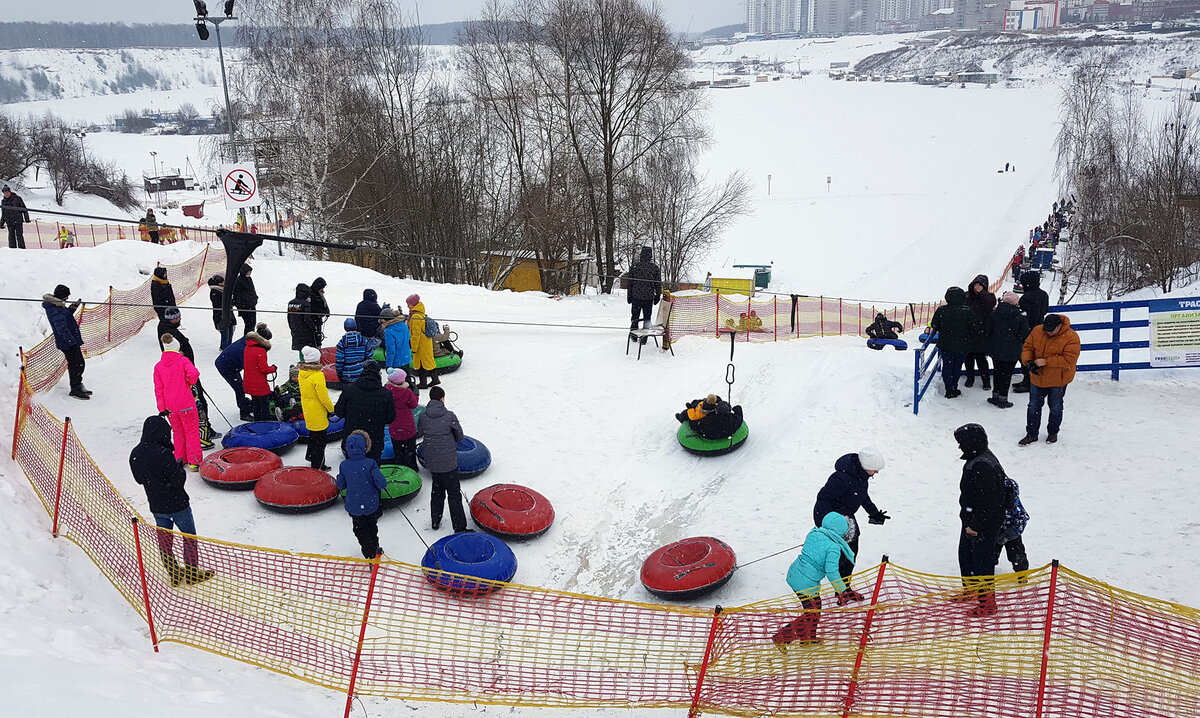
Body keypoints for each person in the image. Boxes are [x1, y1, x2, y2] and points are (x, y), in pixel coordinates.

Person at [129, 415, 213, 586]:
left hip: (157, 506)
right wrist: (178, 468)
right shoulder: (164, 453)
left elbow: (139, 479)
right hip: (178, 505)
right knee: (188, 538)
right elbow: (178, 480)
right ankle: (191, 573)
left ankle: (174, 573)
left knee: (165, 542)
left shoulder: (135, 453)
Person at [771, 512, 861, 652]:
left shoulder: (814, 533)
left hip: (794, 574)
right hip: (806, 583)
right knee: (812, 614)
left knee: (814, 610)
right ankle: (782, 637)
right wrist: (842, 590)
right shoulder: (834, 547)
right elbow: (831, 572)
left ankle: (808, 638)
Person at [952, 423, 1008, 617]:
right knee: (966, 556)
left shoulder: (982, 465)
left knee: (983, 563)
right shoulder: (979, 458)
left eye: (961, 443)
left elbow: (990, 502)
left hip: (983, 524)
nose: (959, 447)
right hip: (971, 520)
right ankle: (971, 589)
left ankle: (987, 604)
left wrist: (975, 525)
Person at [811, 449, 889, 585]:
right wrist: (826, 523)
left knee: (850, 553)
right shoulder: (841, 478)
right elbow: (823, 499)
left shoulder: (862, 478)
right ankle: (830, 583)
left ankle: (844, 587)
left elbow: (863, 497)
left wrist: (874, 513)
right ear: (866, 466)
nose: (877, 472)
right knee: (834, 553)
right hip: (832, 519)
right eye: (875, 469)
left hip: (847, 517)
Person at [1019, 313, 1080, 446]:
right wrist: (1028, 361)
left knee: (1055, 407)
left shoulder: (1071, 336)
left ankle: (1053, 432)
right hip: (1038, 377)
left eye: (1051, 330)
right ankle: (1031, 434)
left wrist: (1046, 362)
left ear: (1059, 326)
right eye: (1046, 329)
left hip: (1058, 380)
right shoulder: (1037, 330)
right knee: (1033, 407)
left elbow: (1070, 359)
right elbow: (1027, 347)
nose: (1048, 332)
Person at [418, 385, 469, 532]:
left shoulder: (423, 416)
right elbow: (459, 436)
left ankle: (435, 520)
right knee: (454, 494)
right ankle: (459, 527)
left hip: (432, 461)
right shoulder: (449, 416)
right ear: (442, 399)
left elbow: (421, 431)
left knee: (437, 490)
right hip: (449, 462)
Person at [153, 333, 203, 471]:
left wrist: (162, 408)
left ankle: (180, 458)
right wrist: (189, 382)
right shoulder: (183, 360)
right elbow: (194, 374)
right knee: (191, 431)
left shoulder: (158, 366)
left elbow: (158, 389)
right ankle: (194, 461)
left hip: (170, 406)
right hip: (185, 402)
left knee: (177, 431)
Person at [336, 430, 389, 559]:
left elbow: (341, 486)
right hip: (371, 503)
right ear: (366, 447)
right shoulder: (370, 464)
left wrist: (341, 477)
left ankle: (369, 553)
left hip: (354, 505)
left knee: (360, 530)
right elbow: (382, 483)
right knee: (372, 528)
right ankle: (375, 550)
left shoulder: (344, 465)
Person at [334, 361, 395, 463]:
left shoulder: (349, 389)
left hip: (352, 437)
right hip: (375, 439)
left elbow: (339, 412)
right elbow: (390, 418)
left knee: (354, 470)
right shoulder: (386, 394)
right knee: (373, 469)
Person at [214, 324, 270, 421]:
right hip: (225, 367)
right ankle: (244, 412)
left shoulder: (250, 341)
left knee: (242, 386)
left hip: (230, 364)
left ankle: (246, 403)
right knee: (240, 388)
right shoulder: (245, 349)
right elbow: (250, 368)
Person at [928, 286, 976, 399]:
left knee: (947, 366)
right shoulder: (967, 311)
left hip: (946, 344)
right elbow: (974, 327)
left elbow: (935, 325)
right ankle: (954, 386)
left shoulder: (941, 310)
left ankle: (948, 389)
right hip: (962, 344)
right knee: (957, 366)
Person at [42, 284, 89, 399]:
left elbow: (65, 317)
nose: (67, 298)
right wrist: (71, 342)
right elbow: (61, 328)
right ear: (62, 296)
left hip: (70, 341)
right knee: (76, 365)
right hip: (67, 343)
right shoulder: (55, 309)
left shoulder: (58, 306)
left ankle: (78, 385)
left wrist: (72, 309)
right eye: (66, 296)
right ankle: (75, 389)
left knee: (79, 363)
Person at [985, 292, 1030, 408]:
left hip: (996, 349)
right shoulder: (1020, 316)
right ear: (1016, 303)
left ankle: (995, 396)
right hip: (1012, 350)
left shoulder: (994, 314)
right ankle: (1003, 399)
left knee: (997, 372)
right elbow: (1025, 335)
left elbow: (988, 331)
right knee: (1007, 374)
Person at [298, 346, 335, 471]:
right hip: (318, 411)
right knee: (320, 441)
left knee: (313, 436)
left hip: (308, 409)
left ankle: (310, 455)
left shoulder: (302, 373)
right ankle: (318, 465)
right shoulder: (318, 376)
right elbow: (323, 397)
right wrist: (331, 409)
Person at [1013, 271, 1050, 394]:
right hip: (1041, 329)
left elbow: (1023, 316)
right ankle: (1033, 380)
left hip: (1028, 330)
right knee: (1037, 355)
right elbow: (1045, 310)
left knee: (1026, 356)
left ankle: (1028, 381)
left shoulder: (1026, 297)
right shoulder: (1044, 295)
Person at [964, 274, 995, 390]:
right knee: (969, 358)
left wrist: (982, 293)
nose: (977, 287)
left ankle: (986, 380)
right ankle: (970, 378)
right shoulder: (967, 296)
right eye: (975, 285)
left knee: (981, 359)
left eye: (980, 285)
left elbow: (991, 303)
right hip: (969, 333)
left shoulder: (989, 296)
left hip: (982, 333)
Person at [385, 369, 420, 471]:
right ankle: (412, 467)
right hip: (408, 425)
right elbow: (414, 405)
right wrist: (416, 395)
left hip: (394, 425)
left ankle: (400, 467)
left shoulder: (387, 392)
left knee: (397, 449)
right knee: (410, 449)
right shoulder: (407, 392)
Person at [626, 245, 662, 342]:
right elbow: (658, 283)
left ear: (641, 254)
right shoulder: (654, 268)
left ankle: (633, 335)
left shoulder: (634, 267)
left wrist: (629, 295)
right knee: (647, 318)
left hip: (636, 297)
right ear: (650, 255)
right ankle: (644, 337)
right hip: (648, 297)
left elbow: (630, 283)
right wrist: (658, 295)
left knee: (635, 317)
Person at [997, 475, 1030, 577]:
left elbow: (1023, 519)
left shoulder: (1016, 505)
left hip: (1011, 531)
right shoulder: (992, 504)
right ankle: (985, 574)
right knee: (988, 554)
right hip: (995, 531)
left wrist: (1009, 535)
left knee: (1017, 555)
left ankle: (1022, 575)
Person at [674, 393, 744, 440]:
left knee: (690, 412)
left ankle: (681, 417)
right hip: (724, 431)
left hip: (711, 436)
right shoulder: (734, 419)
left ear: (716, 412)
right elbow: (739, 412)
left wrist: (692, 420)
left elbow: (695, 425)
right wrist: (736, 408)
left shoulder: (709, 421)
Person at [243, 328, 277, 421]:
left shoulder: (247, 348)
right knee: (264, 405)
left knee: (255, 404)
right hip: (259, 383)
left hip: (249, 381)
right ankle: (265, 423)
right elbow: (264, 369)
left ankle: (257, 422)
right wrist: (273, 368)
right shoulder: (261, 351)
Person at [406, 294, 439, 389]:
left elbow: (416, 334)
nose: (408, 306)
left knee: (420, 364)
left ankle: (423, 383)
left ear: (413, 304)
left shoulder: (415, 316)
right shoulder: (420, 313)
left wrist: (414, 348)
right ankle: (435, 379)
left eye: (409, 304)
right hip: (426, 342)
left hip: (420, 344)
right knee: (428, 361)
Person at [287, 283, 319, 360]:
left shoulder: (291, 303)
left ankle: (302, 362)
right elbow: (307, 318)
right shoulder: (305, 304)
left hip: (295, 329)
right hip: (305, 331)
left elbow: (288, 317)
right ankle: (308, 364)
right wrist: (314, 328)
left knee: (301, 349)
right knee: (308, 350)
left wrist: (292, 327)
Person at [335, 318, 372, 384]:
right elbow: (369, 355)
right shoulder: (364, 340)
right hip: (362, 374)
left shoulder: (342, 343)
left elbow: (339, 360)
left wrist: (339, 373)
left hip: (348, 374)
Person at [382, 307, 413, 375]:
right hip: (406, 358)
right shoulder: (403, 325)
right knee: (407, 381)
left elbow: (391, 351)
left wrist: (389, 365)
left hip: (396, 362)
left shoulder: (389, 331)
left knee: (397, 383)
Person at [208, 274, 234, 349]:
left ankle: (228, 347)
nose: (223, 284)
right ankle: (225, 349)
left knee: (230, 333)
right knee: (225, 334)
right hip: (221, 315)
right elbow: (219, 304)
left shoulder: (223, 291)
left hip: (228, 314)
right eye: (221, 282)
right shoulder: (215, 292)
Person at [1, 184, 31, 249]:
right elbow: (3, 213)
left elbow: (24, 209)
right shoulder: (3, 201)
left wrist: (27, 218)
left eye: (7, 192)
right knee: (11, 236)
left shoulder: (17, 198)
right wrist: (1, 223)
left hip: (18, 220)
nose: (6, 194)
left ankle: (22, 249)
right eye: (4, 192)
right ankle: (12, 250)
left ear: (10, 192)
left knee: (19, 235)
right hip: (9, 221)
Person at [233, 264, 258, 335]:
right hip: (245, 307)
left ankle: (251, 339)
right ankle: (247, 340)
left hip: (252, 305)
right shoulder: (239, 280)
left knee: (252, 324)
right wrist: (240, 307)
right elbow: (236, 295)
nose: (250, 273)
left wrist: (255, 298)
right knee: (248, 325)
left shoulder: (249, 279)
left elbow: (252, 290)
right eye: (249, 271)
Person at [310, 277, 330, 345]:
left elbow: (324, 304)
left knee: (318, 339)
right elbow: (312, 308)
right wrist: (322, 312)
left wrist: (327, 311)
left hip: (318, 320)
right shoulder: (310, 295)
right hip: (312, 321)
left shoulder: (320, 295)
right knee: (314, 340)